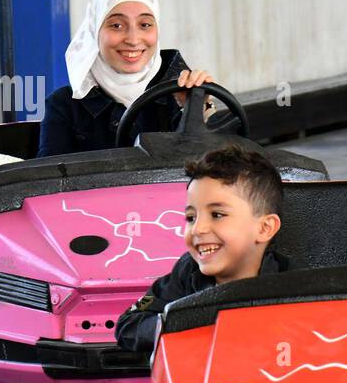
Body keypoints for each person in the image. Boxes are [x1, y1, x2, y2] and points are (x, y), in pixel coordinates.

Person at [115, 147, 291, 352]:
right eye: (191, 218)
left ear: (264, 228)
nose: (198, 229)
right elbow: (129, 324)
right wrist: (182, 323)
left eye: (217, 215)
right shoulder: (185, 274)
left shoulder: (295, 286)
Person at [38, 0, 215, 157]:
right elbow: (51, 181)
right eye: (117, 25)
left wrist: (195, 109)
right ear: (94, 31)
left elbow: (212, 173)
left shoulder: (181, 92)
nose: (132, 39)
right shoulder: (64, 106)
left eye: (145, 25)